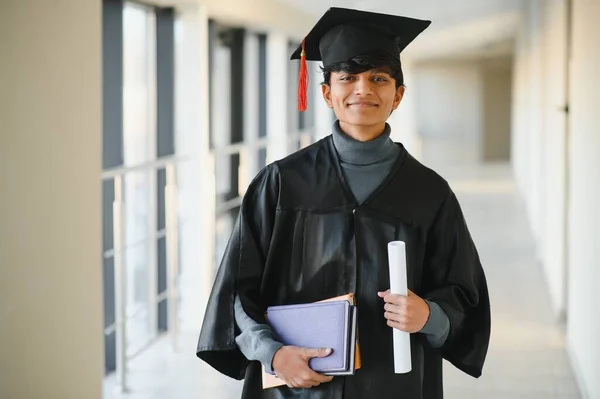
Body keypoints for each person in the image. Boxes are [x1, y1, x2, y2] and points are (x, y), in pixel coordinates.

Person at [197, 7, 491, 399]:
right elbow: (237, 287)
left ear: (398, 95)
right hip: (295, 384)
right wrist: (272, 354)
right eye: (348, 78)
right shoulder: (282, 182)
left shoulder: (429, 192)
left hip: (393, 384)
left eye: (379, 79)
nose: (363, 90)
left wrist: (430, 316)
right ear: (326, 93)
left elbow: (463, 292)